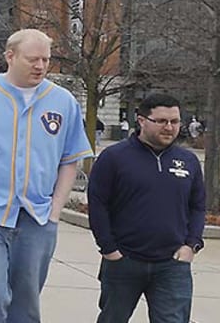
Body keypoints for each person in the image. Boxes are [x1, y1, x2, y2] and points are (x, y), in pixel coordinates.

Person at [0, 28, 93, 323]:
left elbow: (70, 161)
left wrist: (55, 212)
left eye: (46, 60)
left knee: (26, 305)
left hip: (37, 218)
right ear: (10, 56)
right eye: (32, 59)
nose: (40, 66)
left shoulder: (62, 101)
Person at [87, 93, 206, 323]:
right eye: (161, 121)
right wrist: (109, 249)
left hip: (172, 264)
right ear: (141, 120)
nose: (169, 127)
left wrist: (192, 245)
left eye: (175, 121)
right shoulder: (114, 158)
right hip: (124, 261)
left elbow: (198, 206)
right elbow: (98, 205)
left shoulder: (188, 161)